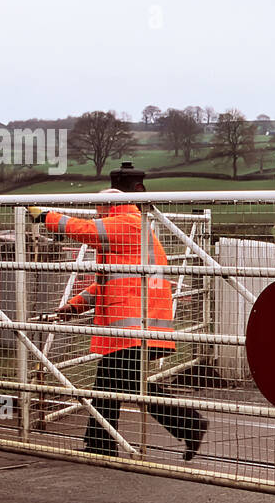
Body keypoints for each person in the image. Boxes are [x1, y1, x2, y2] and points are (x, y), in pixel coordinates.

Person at [27, 191, 207, 460]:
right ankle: (101, 443)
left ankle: (189, 424)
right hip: (137, 324)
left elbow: (85, 230)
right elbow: (106, 283)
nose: (96, 213)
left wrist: (45, 216)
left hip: (133, 326)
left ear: (108, 205)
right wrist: (75, 306)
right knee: (111, 384)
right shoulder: (132, 227)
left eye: (98, 207)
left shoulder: (126, 222)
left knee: (124, 382)